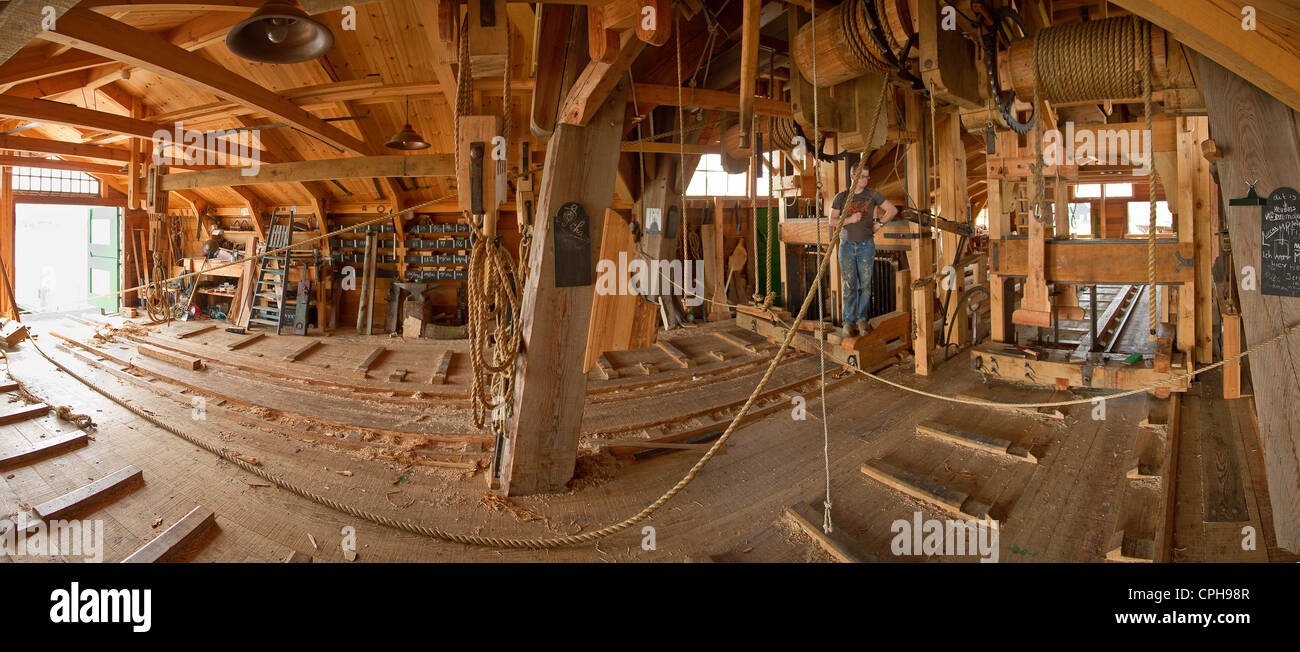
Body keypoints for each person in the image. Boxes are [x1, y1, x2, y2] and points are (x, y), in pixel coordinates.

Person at [829, 163, 897, 337]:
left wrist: (879, 224)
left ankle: (862, 320)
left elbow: (892, 210)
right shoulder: (841, 197)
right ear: (853, 177)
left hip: (866, 245)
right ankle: (848, 322)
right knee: (848, 286)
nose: (866, 180)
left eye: (867, 177)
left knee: (866, 286)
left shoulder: (872, 194)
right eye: (863, 177)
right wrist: (850, 220)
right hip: (846, 245)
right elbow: (832, 221)